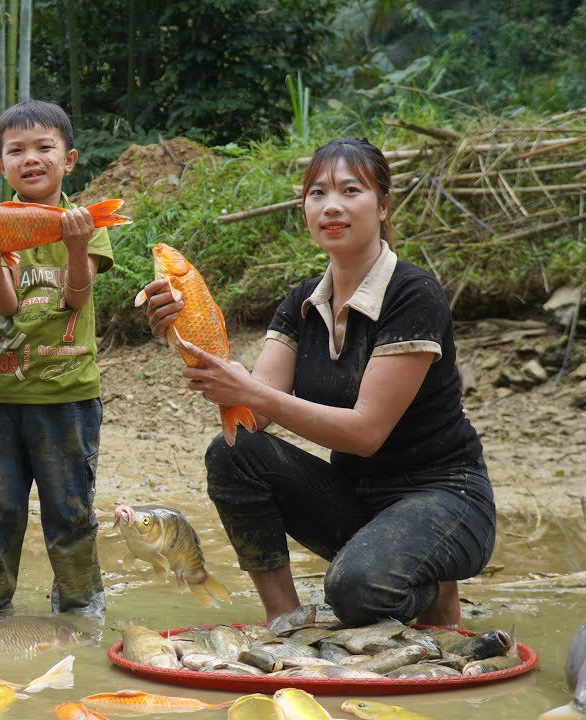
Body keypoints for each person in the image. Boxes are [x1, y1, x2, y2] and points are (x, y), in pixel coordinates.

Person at [141, 137, 496, 628]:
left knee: (355, 592)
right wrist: (181, 335)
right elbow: (253, 415)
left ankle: (432, 584)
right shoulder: (302, 302)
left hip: (445, 497)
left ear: (383, 205)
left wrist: (248, 389)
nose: (331, 206)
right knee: (234, 451)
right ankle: (285, 620)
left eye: (351, 191)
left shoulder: (414, 295)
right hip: (357, 498)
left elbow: (365, 433)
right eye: (317, 193)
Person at [0, 99, 114, 617]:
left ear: (68, 159)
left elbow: (76, 299)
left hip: (68, 391)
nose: (30, 158)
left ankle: (79, 609)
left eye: (44, 147)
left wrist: (77, 246)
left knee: (70, 509)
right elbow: (6, 307)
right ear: (1, 166)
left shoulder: (85, 222)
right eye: (16, 151)